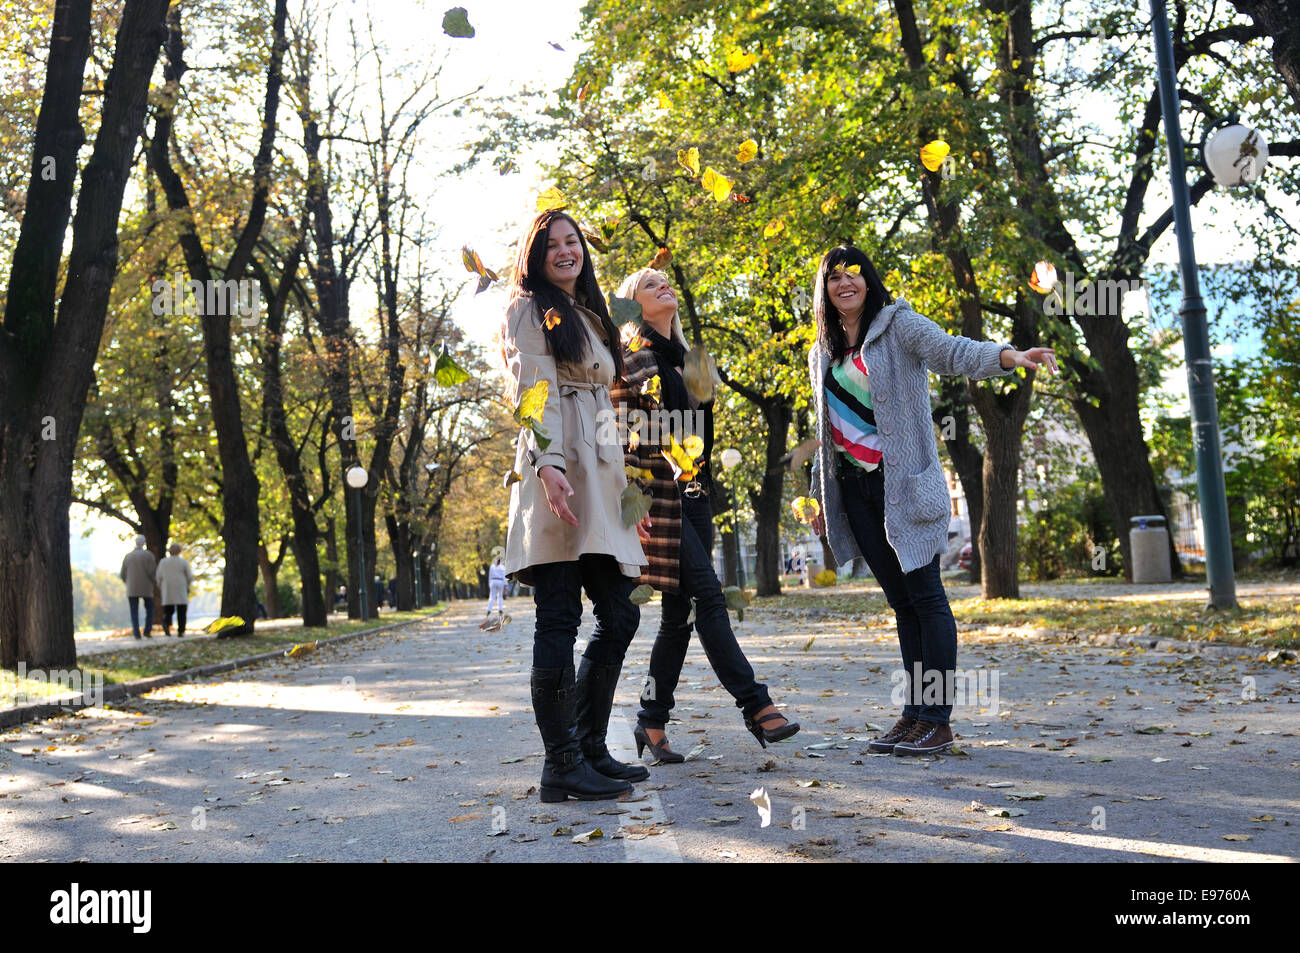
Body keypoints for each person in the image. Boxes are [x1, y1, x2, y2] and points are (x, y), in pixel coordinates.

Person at [806, 245, 1057, 755]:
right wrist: (819, 497)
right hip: (854, 490)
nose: (844, 283)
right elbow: (826, 430)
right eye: (833, 278)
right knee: (902, 604)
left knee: (926, 596)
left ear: (868, 280)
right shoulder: (822, 351)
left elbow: (953, 351)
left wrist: (1009, 356)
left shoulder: (899, 325)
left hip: (903, 486)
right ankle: (913, 714)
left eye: (853, 273)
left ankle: (937, 720)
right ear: (825, 290)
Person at [612, 268, 799, 762]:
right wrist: (630, 497)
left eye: (666, 282)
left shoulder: (692, 359)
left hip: (696, 495)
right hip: (657, 499)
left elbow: (702, 440)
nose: (664, 286)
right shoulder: (630, 358)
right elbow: (620, 432)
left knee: (678, 618)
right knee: (710, 599)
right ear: (633, 304)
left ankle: (650, 721)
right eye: (651, 285)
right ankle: (757, 705)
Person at [501, 208, 652, 803]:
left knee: (620, 613)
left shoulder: (587, 312)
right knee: (559, 616)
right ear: (535, 256)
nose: (567, 251)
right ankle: (561, 763)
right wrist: (549, 466)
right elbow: (533, 390)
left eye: (573, 242)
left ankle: (588, 746)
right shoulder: (526, 309)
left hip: (600, 471)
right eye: (553, 244)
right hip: (558, 467)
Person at [119, 535, 157, 640]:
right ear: (143, 543)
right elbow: (152, 572)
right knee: (150, 609)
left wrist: (128, 582)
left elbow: (122, 574)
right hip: (146, 587)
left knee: (133, 611)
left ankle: (136, 633)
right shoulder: (148, 556)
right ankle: (147, 631)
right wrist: (154, 582)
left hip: (132, 587)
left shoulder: (128, 556)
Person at [156, 542, 194, 637]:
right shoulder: (183, 562)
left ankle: (166, 622)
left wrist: (161, 586)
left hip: (167, 587)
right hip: (180, 587)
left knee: (168, 610)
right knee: (182, 610)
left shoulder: (163, 562)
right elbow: (189, 576)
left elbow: (158, 576)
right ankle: (181, 630)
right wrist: (187, 585)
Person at [484, 555, 507, 624]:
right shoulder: (502, 567)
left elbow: (490, 576)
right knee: (500, 596)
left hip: (493, 581)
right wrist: (506, 585)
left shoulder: (492, 567)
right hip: (500, 581)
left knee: (492, 597)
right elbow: (504, 576)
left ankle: (489, 609)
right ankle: (500, 609)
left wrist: (489, 584)